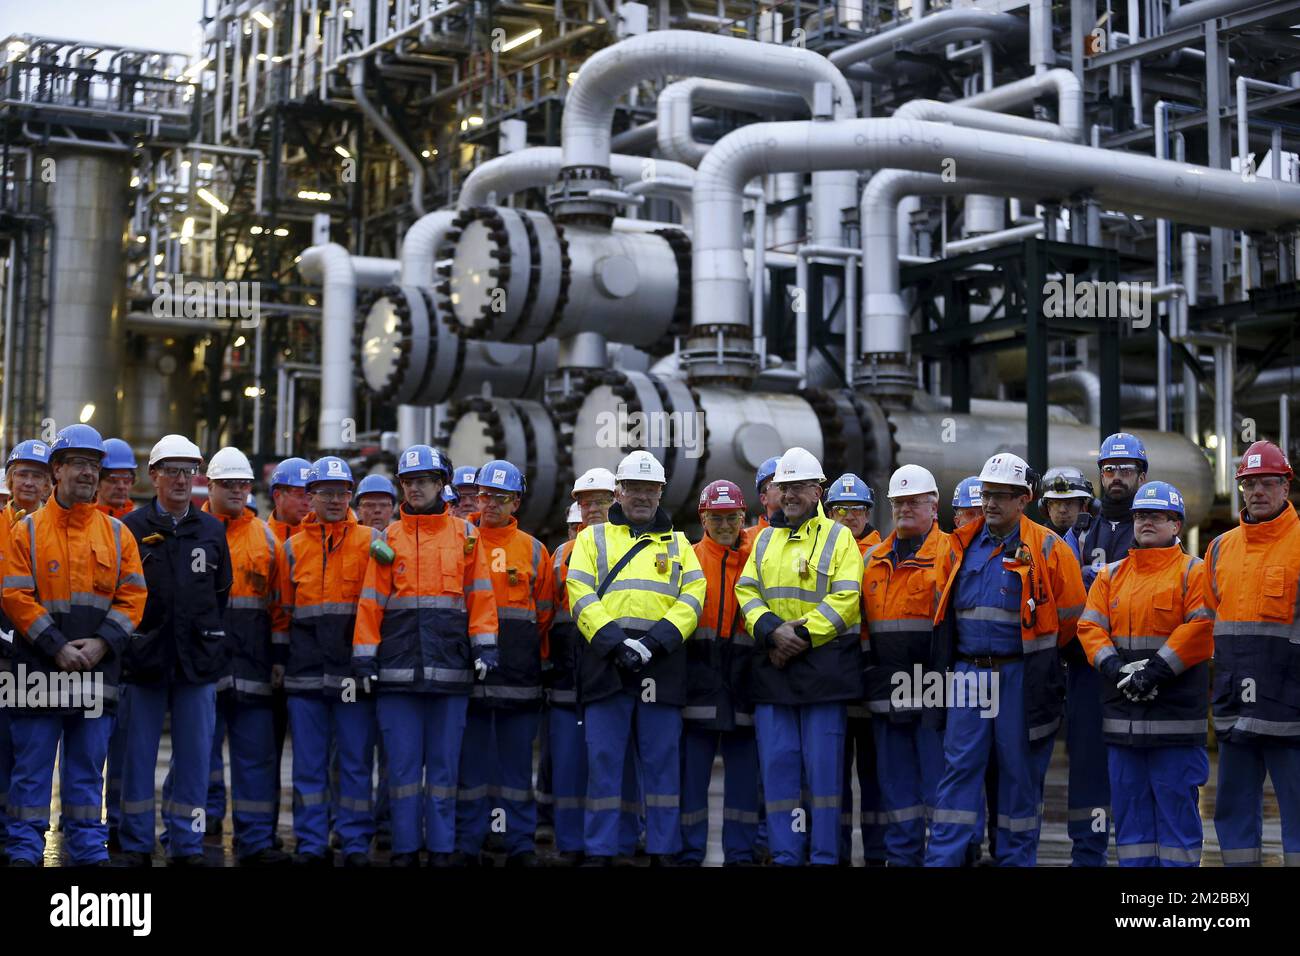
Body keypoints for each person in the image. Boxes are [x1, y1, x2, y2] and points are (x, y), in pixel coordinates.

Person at [925, 452, 1086, 867]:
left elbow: (1071, 618)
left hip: (1019, 675)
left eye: (1002, 495)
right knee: (958, 772)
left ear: (1025, 499)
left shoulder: (1049, 548)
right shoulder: (959, 545)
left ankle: (1015, 860)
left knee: (1018, 776)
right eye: (986, 494)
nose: (991, 503)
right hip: (967, 674)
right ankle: (944, 860)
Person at [1, 425, 146, 867]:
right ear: (57, 471)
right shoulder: (25, 533)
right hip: (37, 673)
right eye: (79, 464)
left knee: (87, 774)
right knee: (31, 772)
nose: (88, 473)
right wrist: (57, 646)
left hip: (95, 674)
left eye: (94, 465)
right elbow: (13, 594)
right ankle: (24, 849)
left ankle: (87, 849)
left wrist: (103, 643)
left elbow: (134, 595)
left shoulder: (118, 535)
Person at [353, 445, 497, 867]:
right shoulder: (387, 539)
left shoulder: (466, 536)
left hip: (450, 674)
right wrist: (364, 657)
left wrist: (485, 648)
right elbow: (371, 602)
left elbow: (481, 598)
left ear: (441, 484)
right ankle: (403, 849)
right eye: (409, 481)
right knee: (400, 772)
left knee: (442, 770)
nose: (415, 488)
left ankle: (440, 848)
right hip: (396, 675)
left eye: (423, 481)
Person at [566, 450, 705, 866]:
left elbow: (693, 597)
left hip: (660, 664)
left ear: (661, 493)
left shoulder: (680, 543)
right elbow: (579, 592)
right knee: (604, 762)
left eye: (650, 489)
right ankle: (602, 850)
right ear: (619, 492)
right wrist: (616, 644)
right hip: (606, 662)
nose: (642, 497)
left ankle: (662, 850)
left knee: (662, 763)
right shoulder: (591, 538)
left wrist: (653, 643)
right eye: (634, 489)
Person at [734, 447, 863, 866]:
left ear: (818, 491)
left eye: (798, 487)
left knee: (824, 777)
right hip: (775, 668)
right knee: (779, 773)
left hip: (820, 668)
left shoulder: (840, 537)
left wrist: (798, 636)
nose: (789, 494)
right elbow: (746, 591)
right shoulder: (765, 539)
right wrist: (773, 631)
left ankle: (824, 857)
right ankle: (787, 855)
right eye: (783, 486)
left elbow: (847, 599)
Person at [1077, 481, 1213, 866]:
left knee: (1177, 824)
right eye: (1139, 516)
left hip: (1174, 726)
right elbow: (1089, 628)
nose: (1145, 522)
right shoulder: (1111, 575)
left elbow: (1200, 627)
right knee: (1131, 828)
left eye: (1155, 515)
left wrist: (1154, 672)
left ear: (1176, 524)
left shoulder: (1194, 572)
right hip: (1125, 725)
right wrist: (1115, 667)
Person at [119, 434, 233, 867]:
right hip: (144, 658)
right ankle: (134, 843)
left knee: (194, 760)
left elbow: (220, 593)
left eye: (189, 471)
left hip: (197, 662)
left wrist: (204, 636)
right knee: (137, 757)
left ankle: (186, 842)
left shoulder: (211, 529)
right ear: (154, 476)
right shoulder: (131, 527)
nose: (182, 479)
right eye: (173, 470)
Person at [278, 456, 380, 866]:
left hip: (353, 673)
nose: (336, 500)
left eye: (342, 492)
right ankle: (311, 843)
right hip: (304, 673)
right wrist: (280, 662)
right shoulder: (292, 549)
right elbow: (281, 612)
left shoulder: (373, 541)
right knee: (308, 767)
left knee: (355, 763)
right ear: (311, 497)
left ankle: (355, 843)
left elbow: (380, 609)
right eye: (326, 493)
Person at [1204, 440, 1300, 867]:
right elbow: (1206, 623)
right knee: (1233, 811)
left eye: (1267, 483)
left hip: (1291, 707)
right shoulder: (1221, 548)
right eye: (1249, 484)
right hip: (1235, 706)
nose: (1257, 492)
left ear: (1286, 487)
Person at [455, 459, 553, 867]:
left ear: (515, 501)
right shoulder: (461, 539)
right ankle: (468, 843)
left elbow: (544, 613)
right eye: (484, 495)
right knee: (471, 767)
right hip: (467, 672)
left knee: (515, 769)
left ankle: (518, 844)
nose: (490, 503)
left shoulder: (533, 549)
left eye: (499, 497)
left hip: (518, 674)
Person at [201, 447, 292, 866]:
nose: (238, 491)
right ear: (212, 486)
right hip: (204, 668)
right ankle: (193, 838)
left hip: (254, 669)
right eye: (229, 484)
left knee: (255, 758)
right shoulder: (196, 532)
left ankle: (254, 841)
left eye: (244, 484)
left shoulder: (267, 539)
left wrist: (277, 659)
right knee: (198, 756)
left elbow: (279, 605)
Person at [1065, 433, 1148, 868]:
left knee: (1137, 773)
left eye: (1126, 470)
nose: (1116, 478)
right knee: (1089, 770)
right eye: (1109, 470)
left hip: (1142, 675)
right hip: (1086, 673)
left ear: (1142, 475)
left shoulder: (1153, 525)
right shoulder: (1080, 530)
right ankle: (1087, 857)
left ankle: (1138, 859)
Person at [862, 465, 950, 866]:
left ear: (934, 505)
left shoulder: (950, 554)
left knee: (940, 789)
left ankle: (946, 859)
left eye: (913, 501)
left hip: (935, 692)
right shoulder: (873, 559)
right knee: (896, 792)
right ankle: (901, 860)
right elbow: (862, 627)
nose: (904, 509)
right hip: (887, 691)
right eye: (898, 502)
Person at [680, 479, 760, 867]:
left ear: (743, 517)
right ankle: (689, 853)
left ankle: (741, 857)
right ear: (703, 518)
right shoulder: (688, 558)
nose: (725, 525)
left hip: (745, 686)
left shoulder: (758, 559)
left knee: (744, 785)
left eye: (732, 518)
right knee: (691, 784)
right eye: (717, 518)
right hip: (698, 685)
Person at [544, 477, 616, 866]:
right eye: (586, 503)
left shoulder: (628, 546)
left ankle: (613, 843)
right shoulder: (563, 553)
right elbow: (547, 613)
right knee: (570, 766)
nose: (592, 508)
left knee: (608, 764)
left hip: (609, 672)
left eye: (601, 500)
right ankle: (570, 843)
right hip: (569, 673)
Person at [825, 471, 884, 866]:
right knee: (833, 778)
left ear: (869, 514)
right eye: (840, 510)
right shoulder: (819, 552)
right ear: (828, 512)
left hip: (874, 677)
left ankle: (879, 854)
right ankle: (837, 851)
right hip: (831, 678)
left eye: (857, 510)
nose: (848, 517)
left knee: (877, 775)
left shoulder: (884, 553)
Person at [0, 439, 52, 861]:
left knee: (30, 752)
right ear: (10, 479)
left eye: (37, 475)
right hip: (2, 656)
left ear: (49, 483)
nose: (29, 482)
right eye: (23, 474)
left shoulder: (54, 530)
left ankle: (24, 835)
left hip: (41, 656)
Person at [1039, 466, 1094, 541]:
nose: (1062, 510)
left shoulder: (1096, 539)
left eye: (1069, 503)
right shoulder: (1035, 539)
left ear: (1083, 508)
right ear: (1048, 508)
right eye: (1056, 503)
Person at [267, 457, 313, 544]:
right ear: (277, 496)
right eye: (300, 495)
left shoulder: (322, 541)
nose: (307, 503)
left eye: (310, 497)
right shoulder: (258, 539)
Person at [96, 439, 137, 520]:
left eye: (126, 480)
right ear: (96, 483)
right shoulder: (85, 521)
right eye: (113, 480)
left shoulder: (140, 522)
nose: (121, 487)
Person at [749, 456, 782, 535]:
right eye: (777, 484)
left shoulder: (811, 532)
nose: (786, 489)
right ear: (763, 498)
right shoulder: (748, 540)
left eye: (790, 483)